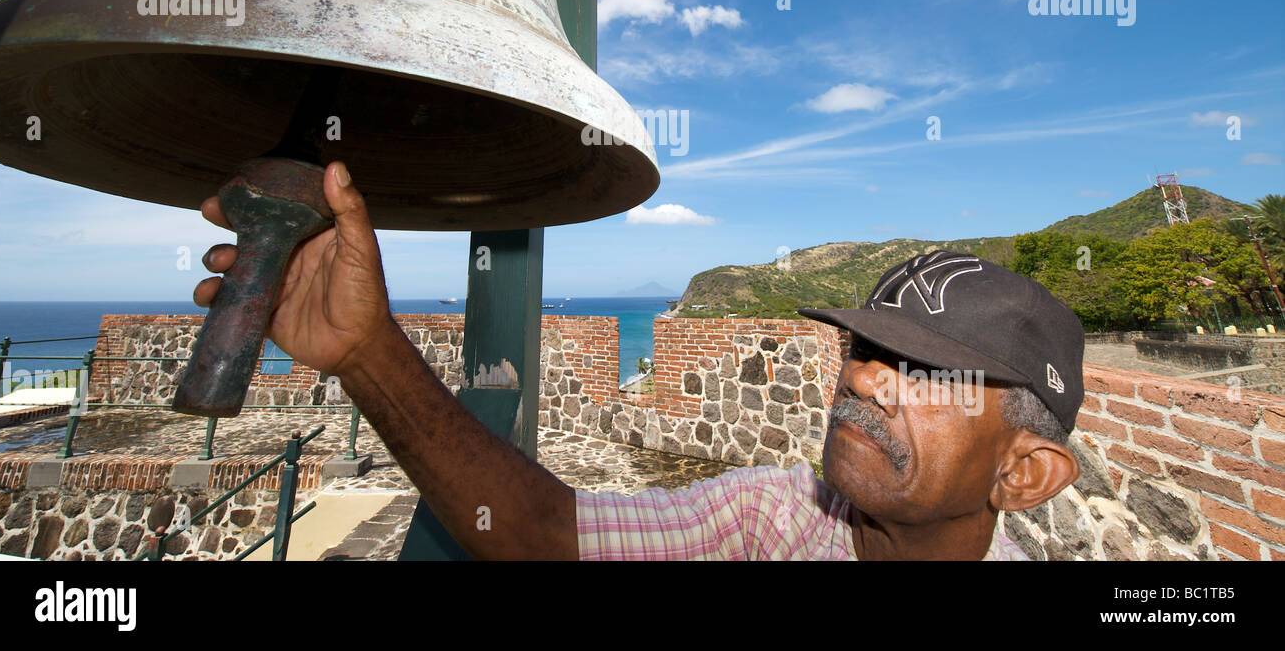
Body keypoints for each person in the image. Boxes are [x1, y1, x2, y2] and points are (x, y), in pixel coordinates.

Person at [193, 162, 1084, 560]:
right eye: (867, 350)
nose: (859, 378)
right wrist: (366, 350)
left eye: (929, 375)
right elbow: (543, 535)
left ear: (1026, 473)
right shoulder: (770, 521)